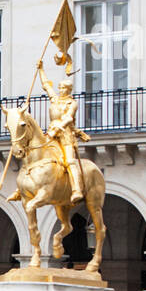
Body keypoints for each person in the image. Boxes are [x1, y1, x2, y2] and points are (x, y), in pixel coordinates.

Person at [36, 56, 90, 204]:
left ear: (68, 90)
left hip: (65, 135)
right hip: (51, 132)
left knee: (69, 161)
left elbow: (68, 119)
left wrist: (57, 130)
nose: (60, 90)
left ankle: (76, 189)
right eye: (59, 88)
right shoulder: (55, 99)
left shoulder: (72, 103)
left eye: (63, 88)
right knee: (36, 155)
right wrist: (41, 69)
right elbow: (47, 85)